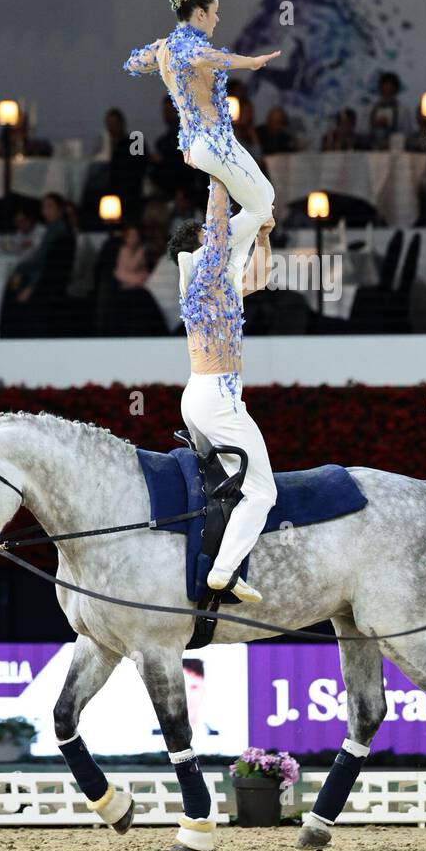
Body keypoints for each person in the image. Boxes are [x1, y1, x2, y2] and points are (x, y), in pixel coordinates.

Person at [167, 175, 277, 604]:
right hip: (215, 399)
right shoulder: (202, 279)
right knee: (263, 491)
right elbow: (222, 230)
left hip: (202, 396)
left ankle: (216, 555)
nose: (222, 241)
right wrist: (221, 173)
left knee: (230, 488)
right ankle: (224, 570)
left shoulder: (219, 288)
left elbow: (260, 278)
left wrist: (264, 238)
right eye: (212, 241)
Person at [123, 0, 278, 232]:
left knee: (263, 200)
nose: (217, 20)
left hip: (207, 140)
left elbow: (134, 63)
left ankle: (216, 260)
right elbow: (206, 57)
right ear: (200, 13)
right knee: (261, 207)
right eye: (214, 13)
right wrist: (251, 62)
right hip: (210, 139)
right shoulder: (189, 48)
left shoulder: (166, 46)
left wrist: (162, 59)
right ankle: (203, 258)